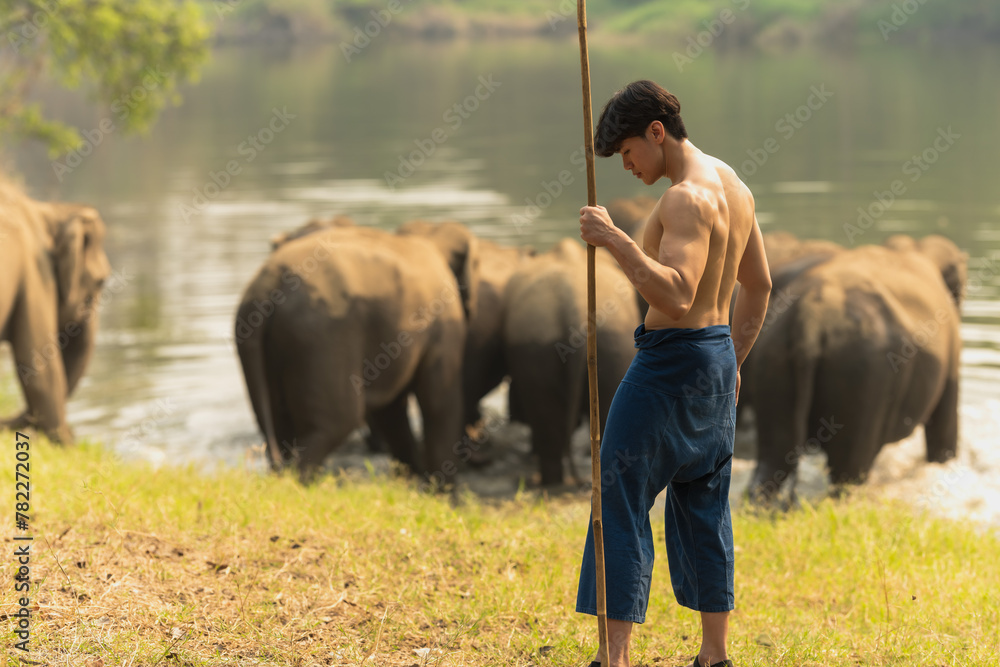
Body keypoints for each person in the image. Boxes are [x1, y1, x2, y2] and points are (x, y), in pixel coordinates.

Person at [576, 80, 772, 667]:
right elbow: (758, 285)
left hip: (667, 363)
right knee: (705, 503)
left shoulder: (685, 198)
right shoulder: (736, 188)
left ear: (656, 132)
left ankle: (615, 659)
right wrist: (731, 362)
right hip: (714, 361)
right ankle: (714, 655)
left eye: (630, 152)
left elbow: (680, 294)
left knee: (619, 494)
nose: (629, 166)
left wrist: (613, 238)